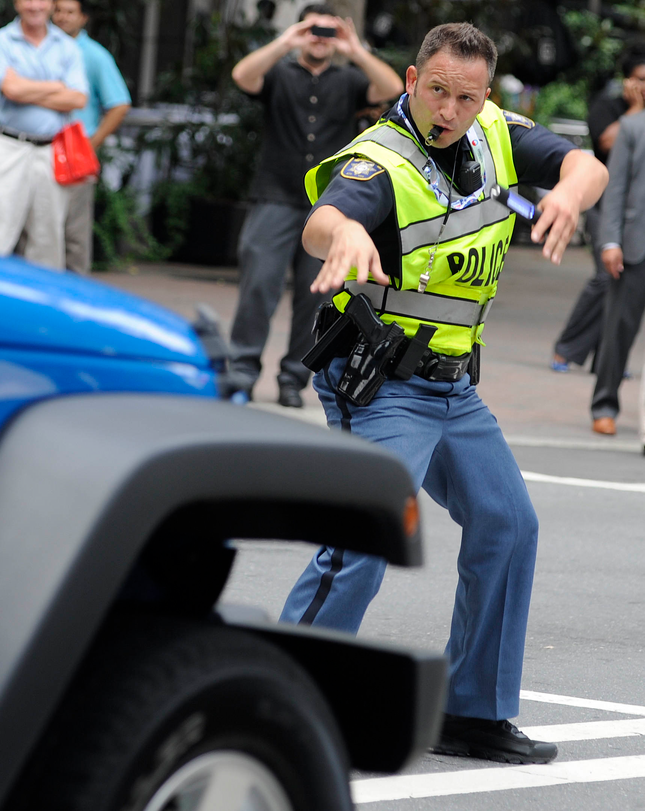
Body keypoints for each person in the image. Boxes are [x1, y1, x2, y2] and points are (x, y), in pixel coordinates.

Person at [279, 23, 607, 762]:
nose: (450, 109)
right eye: (437, 91)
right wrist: (346, 239)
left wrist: (573, 196)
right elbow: (324, 220)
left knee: (507, 524)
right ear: (409, 79)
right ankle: (283, 701)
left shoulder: (496, 131)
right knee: (364, 539)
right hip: (380, 382)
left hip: (454, 386)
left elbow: (585, 163)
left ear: (485, 95)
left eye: (466, 95)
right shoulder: (380, 161)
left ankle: (473, 713)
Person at [228, 2, 403, 408]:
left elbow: (393, 88)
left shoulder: (349, 80)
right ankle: (241, 373)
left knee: (317, 295)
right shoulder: (279, 74)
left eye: (329, 33)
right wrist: (287, 40)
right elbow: (242, 76)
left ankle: (293, 378)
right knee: (258, 285)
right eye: (314, 31)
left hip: (327, 206)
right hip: (273, 195)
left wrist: (355, 49)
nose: (321, 40)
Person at [551, 50, 645, 376]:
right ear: (628, 81)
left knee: (620, 285)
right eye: (641, 79)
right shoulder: (608, 106)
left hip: (636, 217)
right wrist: (635, 110)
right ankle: (566, 348)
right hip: (603, 208)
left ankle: (605, 360)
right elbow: (607, 142)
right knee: (606, 277)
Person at [0, 0, 88, 271]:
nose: (34, 5)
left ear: (51, 4)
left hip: (52, 150)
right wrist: (56, 87)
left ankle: (43, 305)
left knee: (47, 238)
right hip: (9, 145)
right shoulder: (0, 40)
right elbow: (11, 90)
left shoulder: (67, 46)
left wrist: (26, 88)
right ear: (16, 3)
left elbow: (77, 98)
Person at [52, 0, 131, 275]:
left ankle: (75, 297)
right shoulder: (42, 47)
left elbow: (119, 104)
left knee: (74, 231)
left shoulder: (94, 55)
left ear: (84, 18)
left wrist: (91, 143)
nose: (62, 17)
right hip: (40, 145)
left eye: (70, 12)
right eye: (58, 10)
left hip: (74, 151)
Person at [589, 109, 645, 436]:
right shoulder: (632, 128)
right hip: (635, 247)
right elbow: (616, 187)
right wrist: (610, 240)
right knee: (618, 331)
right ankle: (604, 405)